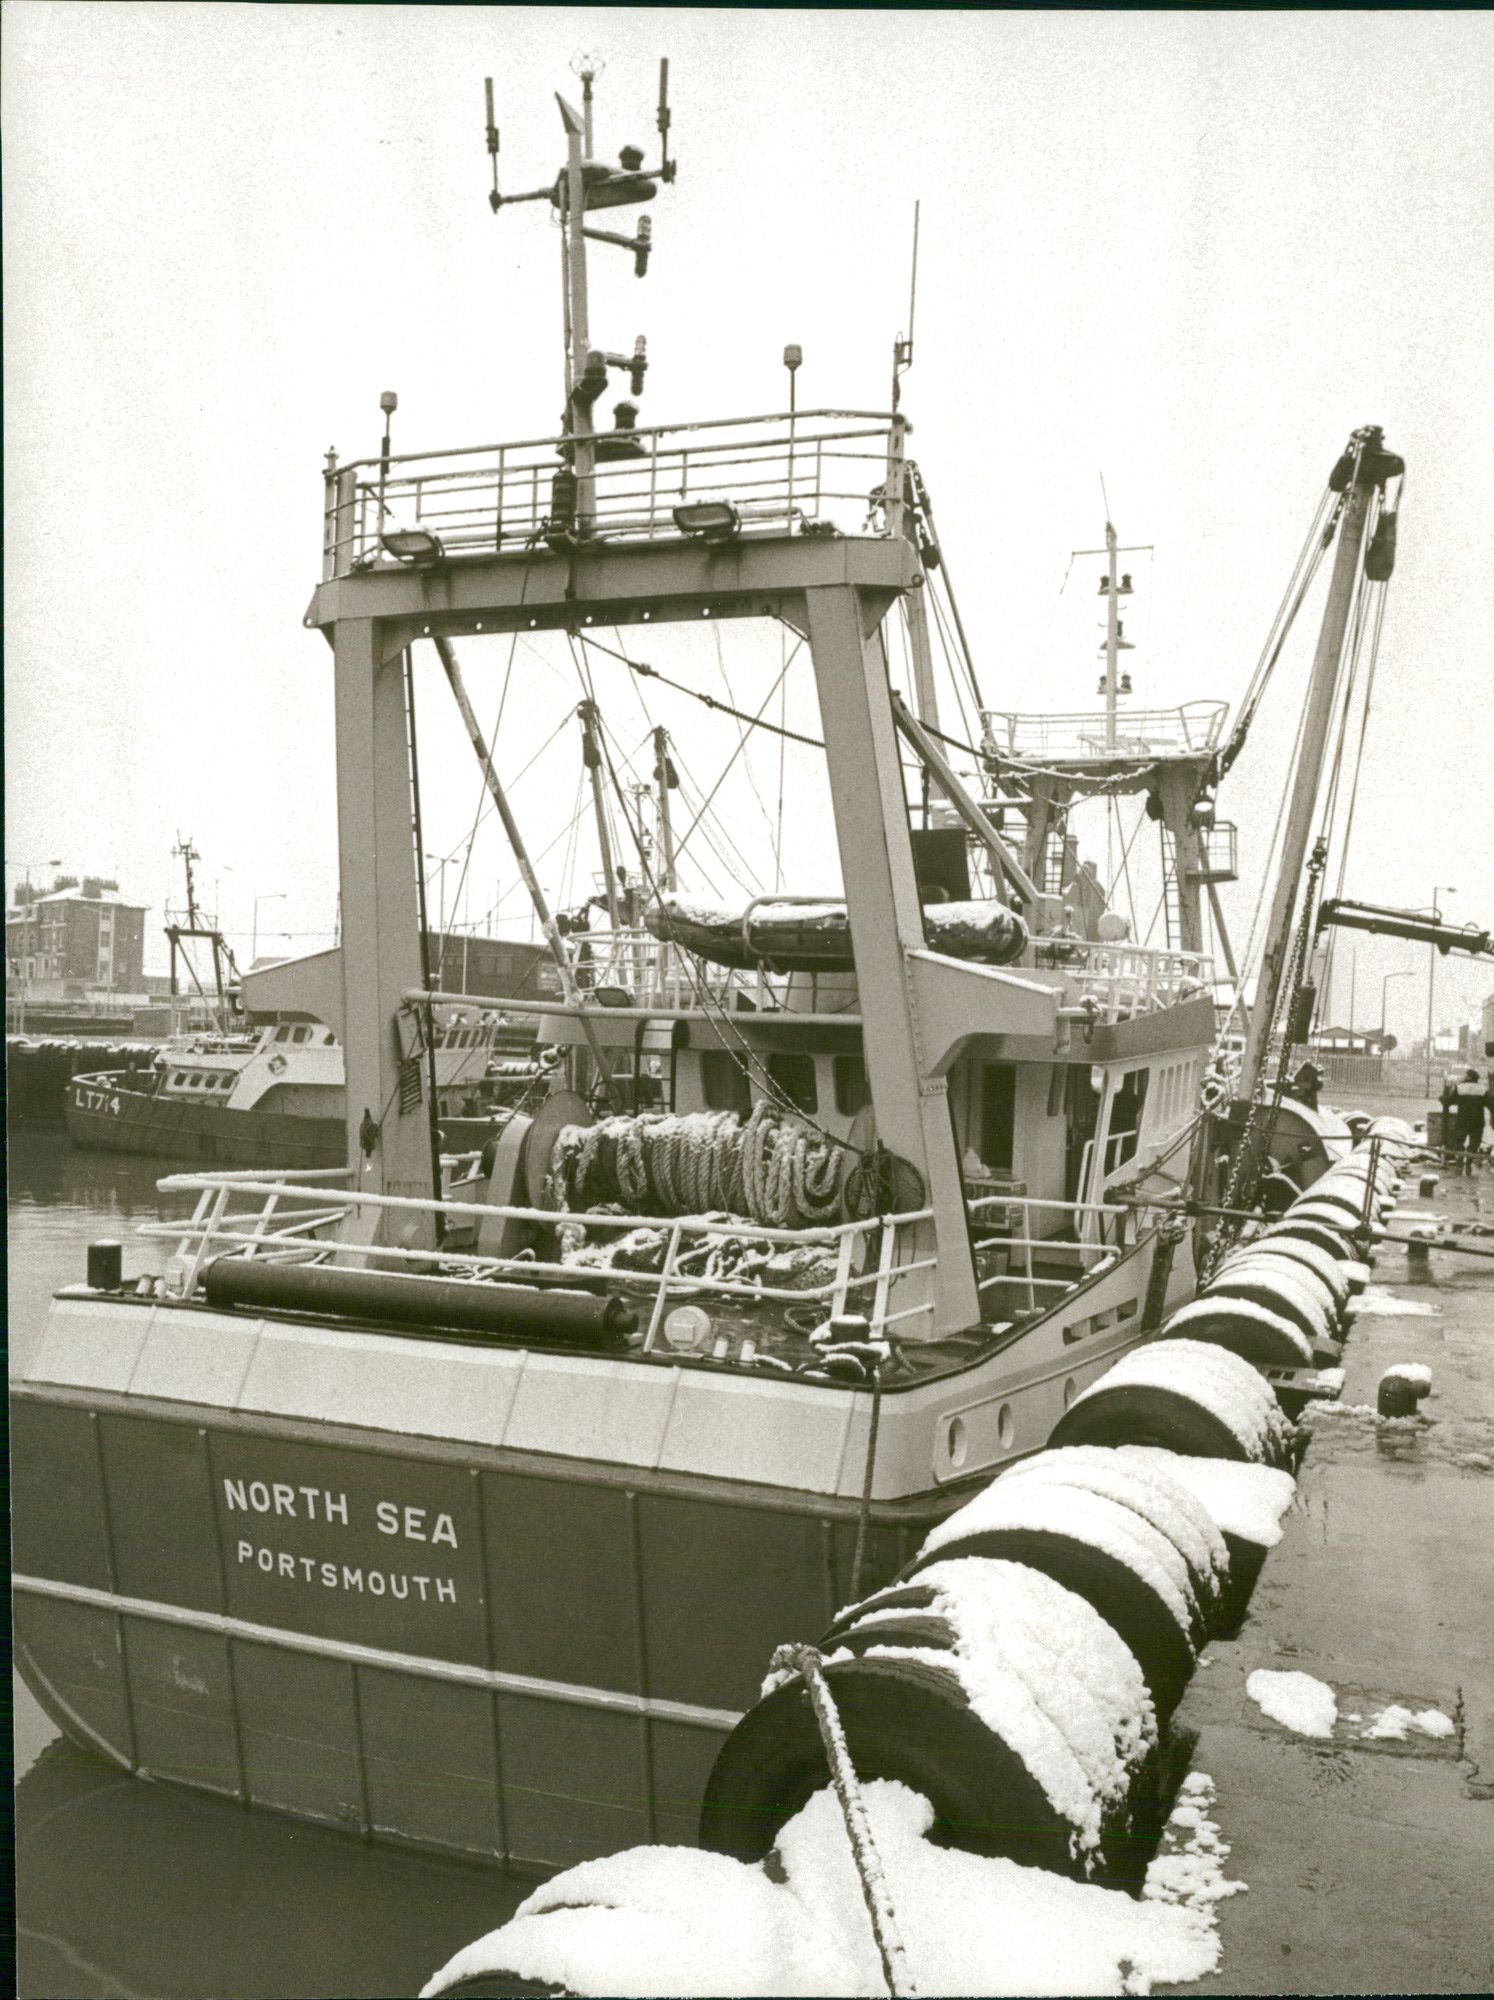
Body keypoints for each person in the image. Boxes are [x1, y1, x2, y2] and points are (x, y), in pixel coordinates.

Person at [1450, 1066, 1487, 1161]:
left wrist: (1442, 1098)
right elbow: (1492, 1104)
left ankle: (1460, 1160)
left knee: (1458, 1141)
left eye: (1465, 1075)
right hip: (1477, 1120)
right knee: (1474, 1142)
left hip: (1463, 1120)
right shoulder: (1483, 1089)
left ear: (1468, 1077)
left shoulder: (1460, 1088)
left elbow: (1449, 1100)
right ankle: (1469, 1163)